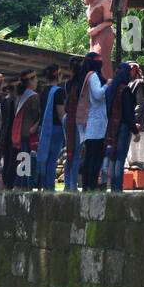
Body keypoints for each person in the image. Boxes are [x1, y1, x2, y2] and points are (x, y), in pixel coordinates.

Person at [104, 62, 138, 191]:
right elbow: (128, 114)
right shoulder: (125, 90)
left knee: (113, 156)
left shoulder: (110, 89)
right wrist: (135, 131)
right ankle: (117, 187)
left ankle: (113, 186)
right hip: (122, 127)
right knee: (120, 157)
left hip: (111, 126)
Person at [79, 53, 109, 190]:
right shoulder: (94, 76)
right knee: (95, 157)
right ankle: (90, 185)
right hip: (96, 124)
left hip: (93, 124)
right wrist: (107, 85)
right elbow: (97, 94)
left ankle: (88, 185)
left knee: (90, 157)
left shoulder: (86, 76)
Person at [8, 69, 42, 188]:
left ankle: (19, 185)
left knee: (22, 161)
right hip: (29, 134)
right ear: (30, 81)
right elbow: (37, 116)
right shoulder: (34, 97)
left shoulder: (19, 96)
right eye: (35, 78)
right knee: (28, 161)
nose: (37, 81)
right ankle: (27, 186)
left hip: (19, 134)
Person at [36, 65, 67, 190]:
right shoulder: (58, 91)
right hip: (56, 129)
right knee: (52, 159)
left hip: (44, 128)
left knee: (44, 157)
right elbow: (61, 113)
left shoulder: (43, 91)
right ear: (58, 75)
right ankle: (49, 186)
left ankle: (43, 184)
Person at [63, 58, 85, 191]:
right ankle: (72, 185)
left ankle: (67, 185)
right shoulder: (82, 84)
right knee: (76, 153)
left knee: (69, 152)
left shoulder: (67, 84)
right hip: (78, 119)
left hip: (68, 118)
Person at [127, 65, 144, 170]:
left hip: (137, 121)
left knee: (138, 144)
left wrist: (134, 120)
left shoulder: (138, 84)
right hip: (130, 119)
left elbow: (140, 104)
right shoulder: (129, 83)